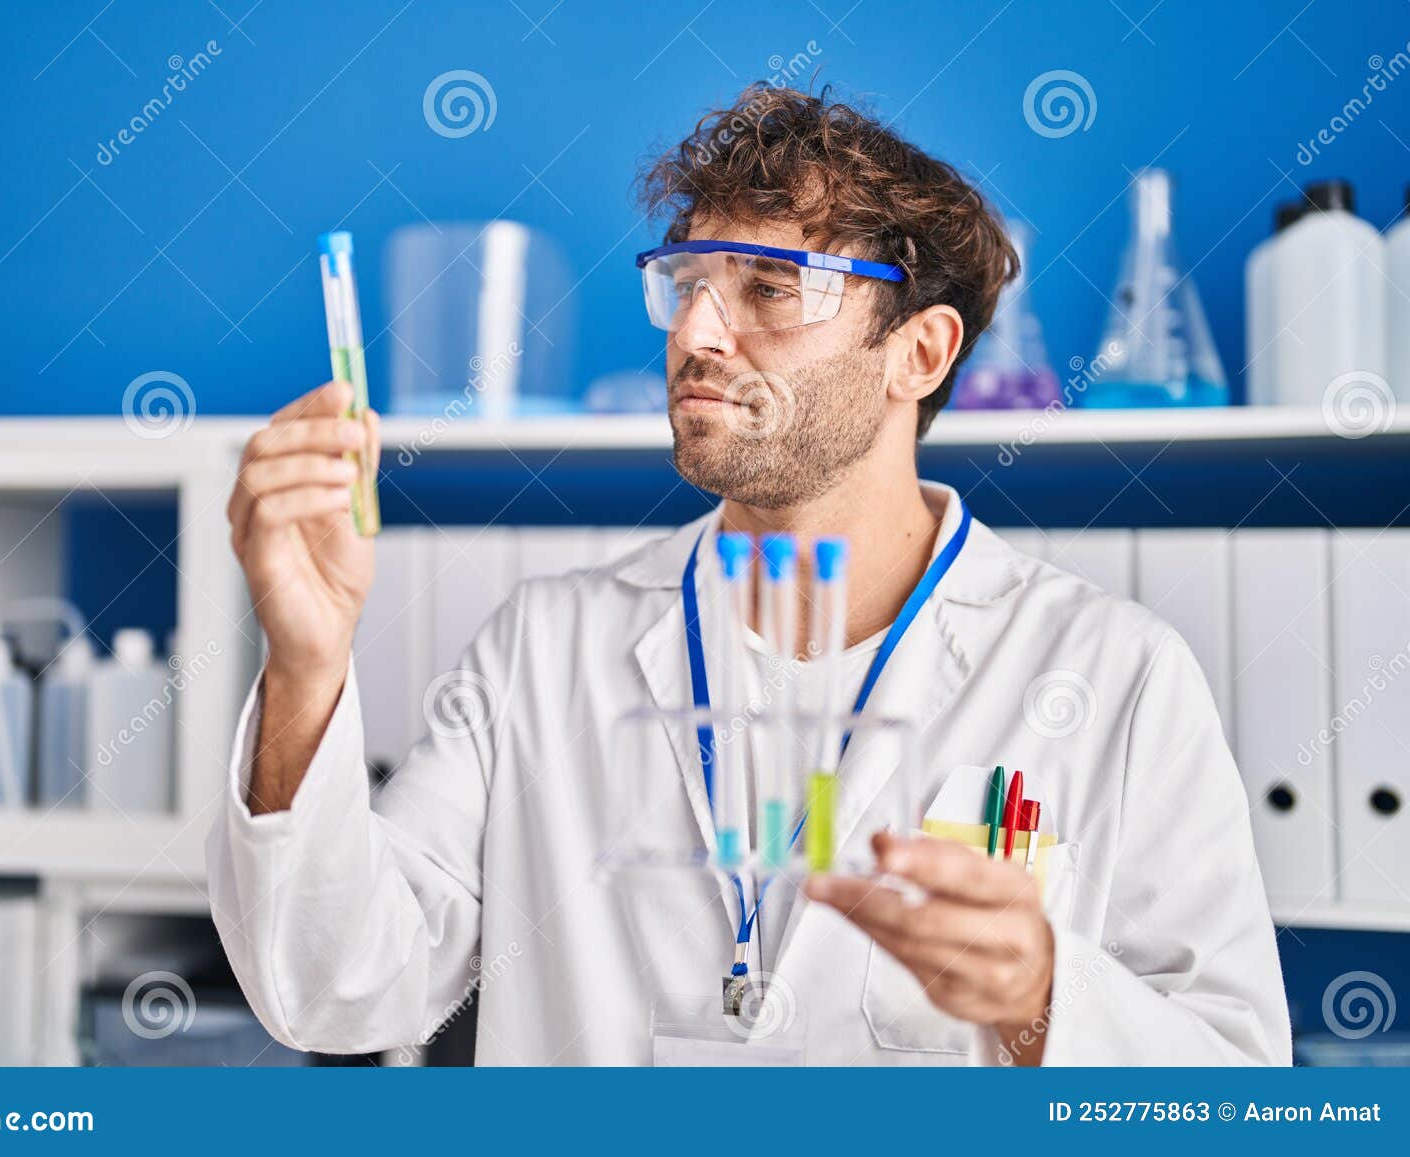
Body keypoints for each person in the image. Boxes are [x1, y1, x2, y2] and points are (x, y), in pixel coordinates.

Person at [207, 84, 1290, 1066]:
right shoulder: (541, 650)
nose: (696, 332)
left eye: (769, 287)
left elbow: (1234, 1086)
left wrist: (1043, 995)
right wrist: (306, 666)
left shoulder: (1114, 673)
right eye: (684, 283)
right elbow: (336, 991)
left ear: (917, 351)